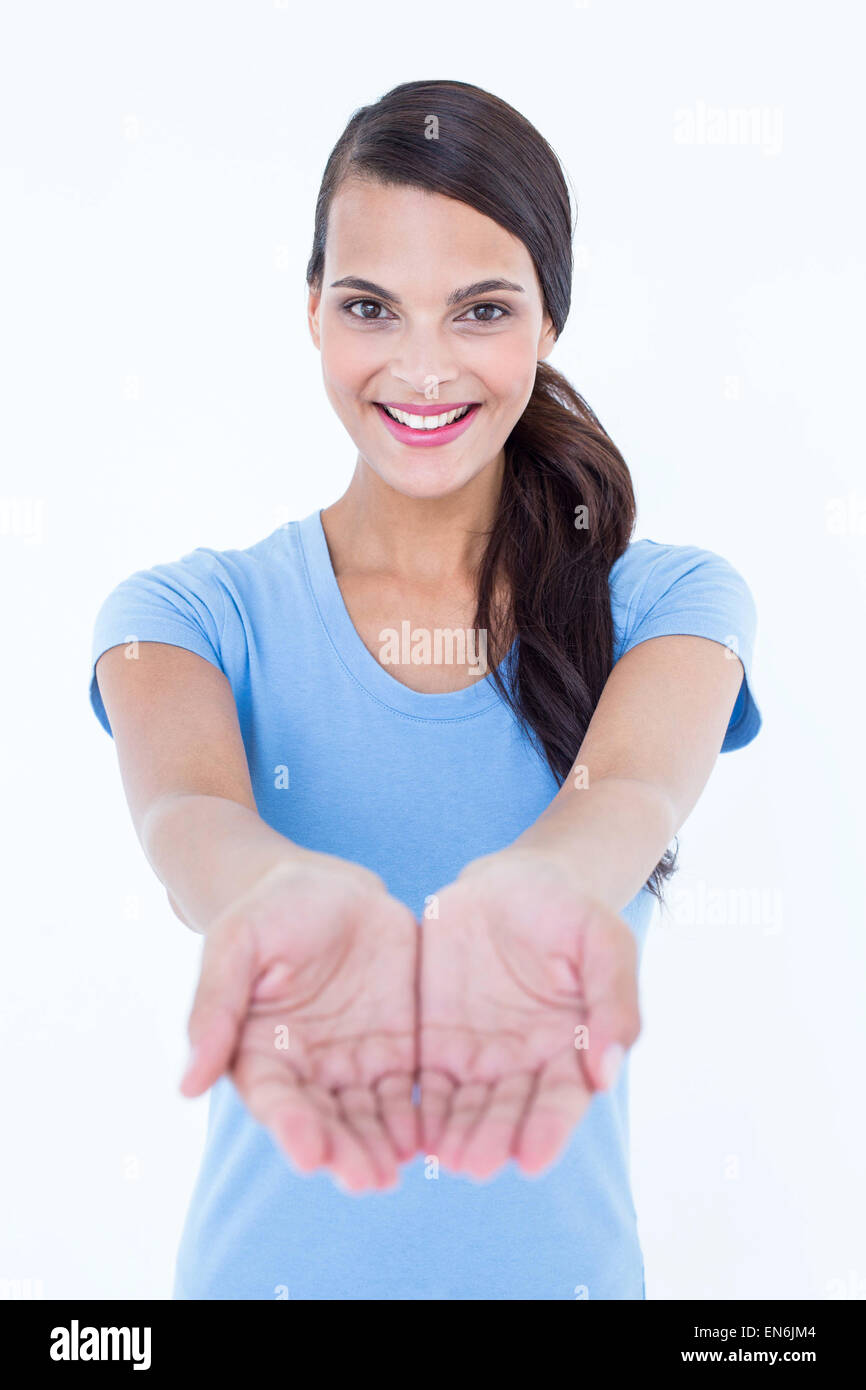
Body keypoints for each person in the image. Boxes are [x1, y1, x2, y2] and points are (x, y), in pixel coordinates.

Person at [88, 79, 762, 1300]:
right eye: (369, 307)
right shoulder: (182, 619)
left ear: (548, 319)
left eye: (480, 310)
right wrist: (277, 893)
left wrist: (529, 892)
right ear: (310, 313)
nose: (420, 365)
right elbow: (184, 820)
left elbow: (633, 797)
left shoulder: (671, 606)